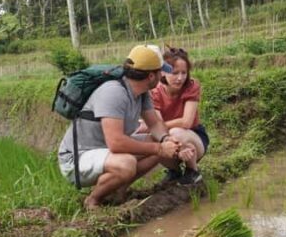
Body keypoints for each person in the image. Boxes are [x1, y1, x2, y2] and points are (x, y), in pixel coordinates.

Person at [57, 44, 186, 210]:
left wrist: (167, 140)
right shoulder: (114, 93)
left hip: (105, 152)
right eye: (160, 72)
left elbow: (154, 124)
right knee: (127, 163)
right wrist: (160, 149)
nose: (162, 75)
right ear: (151, 76)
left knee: (155, 142)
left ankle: (119, 189)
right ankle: (93, 200)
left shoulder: (141, 93)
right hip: (77, 158)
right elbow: (116, 143)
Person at [149, 46, 209, 185]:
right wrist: (157, 127)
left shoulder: (191, 86)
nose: (180, 78)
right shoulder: (155, 92)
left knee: (175, 131)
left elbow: (186, 122)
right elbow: (157, 125)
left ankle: (192, 171)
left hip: (193, 137)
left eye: (184, 72)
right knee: (153, 138)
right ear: (163, 72)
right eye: (175, 73)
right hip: (168, 138)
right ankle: (174, 171)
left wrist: (158, 125)